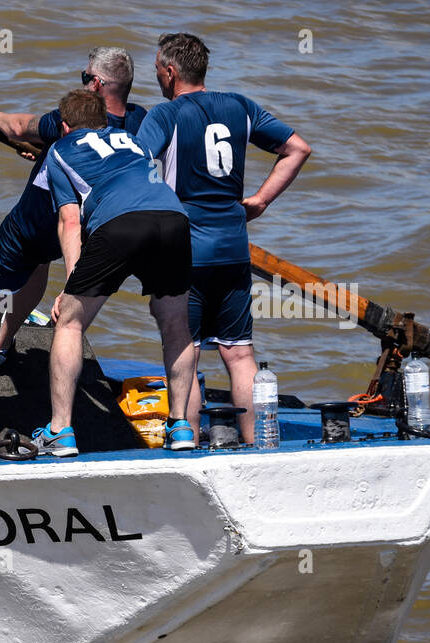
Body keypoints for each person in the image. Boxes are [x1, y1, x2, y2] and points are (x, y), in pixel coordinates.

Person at [0, 90, 197, 455]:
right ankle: (180, 427)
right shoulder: (133, 140)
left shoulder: (59, 149)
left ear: (64, 126)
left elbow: (70, 222)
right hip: (174, 219)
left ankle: (53, 430)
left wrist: (70, 288)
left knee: (67, 322)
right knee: (176, 325)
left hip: (114, 226)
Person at [136, 32, 312, 443]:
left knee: (184, 350)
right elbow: (298, 149)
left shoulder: (165, 116)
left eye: (157, 69)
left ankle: (186, 442)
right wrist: (261, 201)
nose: (157, 78)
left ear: (170, 70)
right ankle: (257, 445)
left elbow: (133, 165)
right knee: (239, 352)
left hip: (188, 253)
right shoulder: (239, 106)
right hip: (234, 247)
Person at [0, 47, 148, 377]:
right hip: (90, 226)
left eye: (84, 78)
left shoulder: (75, 117)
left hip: (43, 218)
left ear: (96, 83)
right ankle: (4, 345)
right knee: (39, 266)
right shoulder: (140, 122)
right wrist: (43, 151)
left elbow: (22, 127)